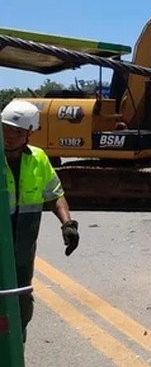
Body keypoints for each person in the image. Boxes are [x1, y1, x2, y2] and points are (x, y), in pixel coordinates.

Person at [2, 100, 79, 343]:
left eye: (17, 131)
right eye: (5, 128)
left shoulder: (39, 159)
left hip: (23, 249)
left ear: (29, 132)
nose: (10, 135)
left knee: (21, 304)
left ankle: (16, 350)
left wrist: (67, 224)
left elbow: (56, 195)